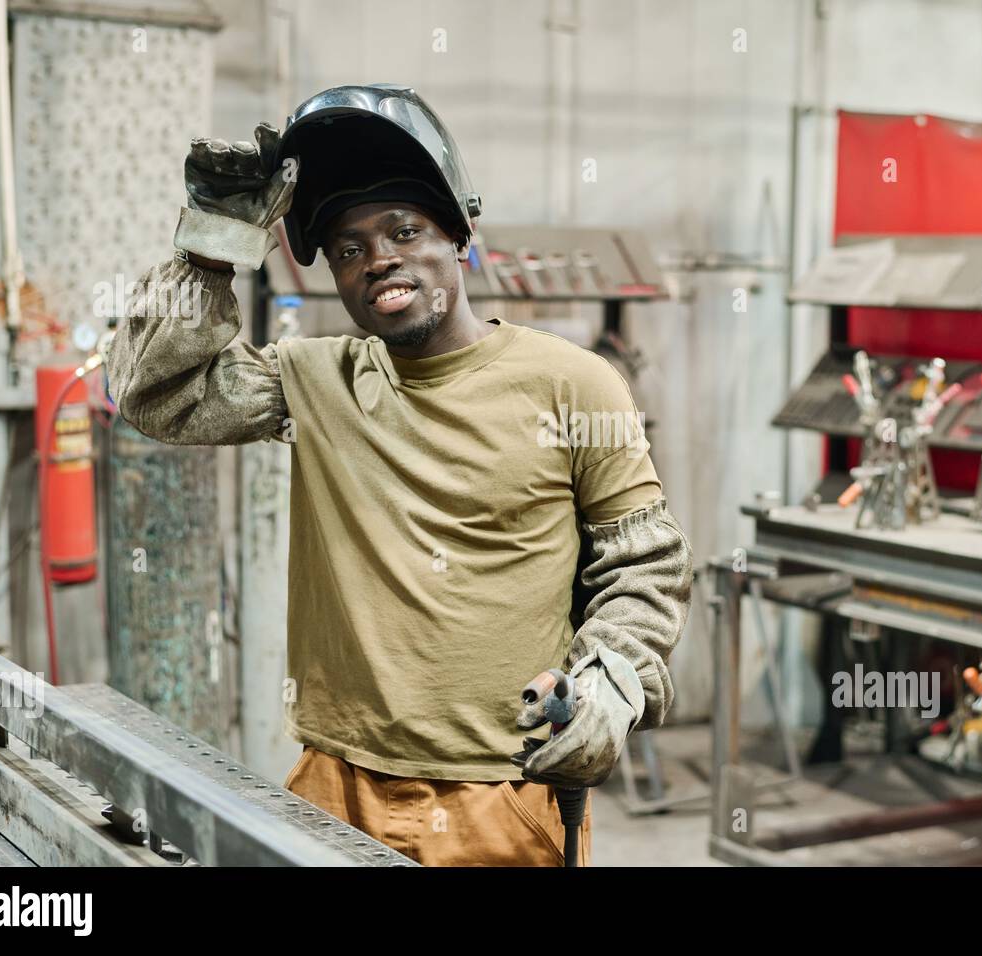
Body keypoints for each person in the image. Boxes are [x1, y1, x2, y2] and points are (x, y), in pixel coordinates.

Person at [105, 85, 692, 866]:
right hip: (332, 784)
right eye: (348, 248)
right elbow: (151, 395)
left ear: (460, 237)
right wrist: (211, 247)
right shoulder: (312, 380)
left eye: (405, 230)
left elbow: (645, 562)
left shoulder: (575, 385)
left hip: (503, 793)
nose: (378, 257)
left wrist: (612, 677)